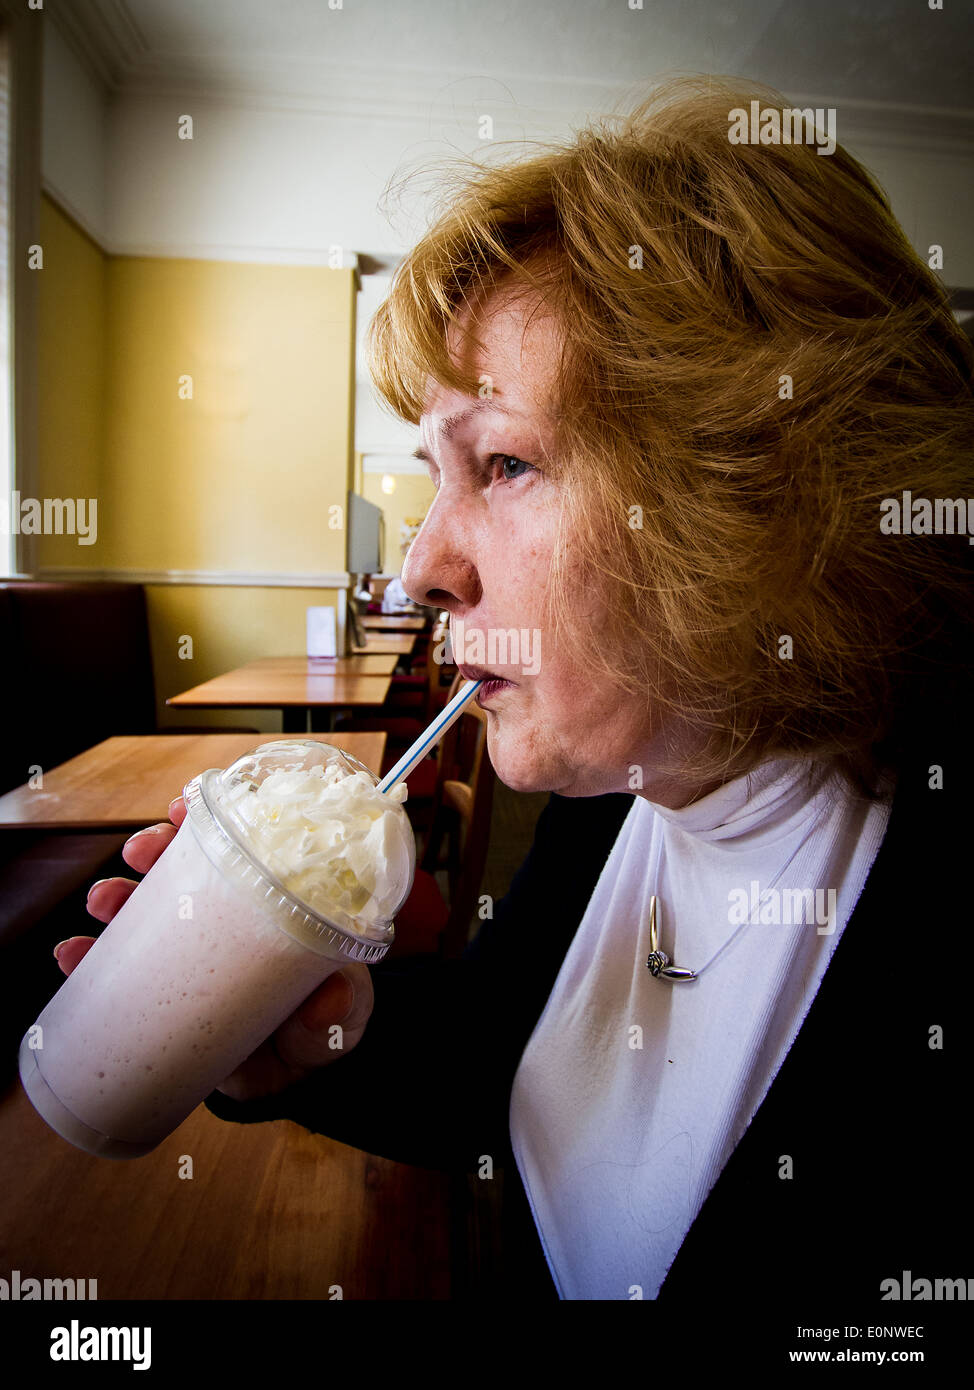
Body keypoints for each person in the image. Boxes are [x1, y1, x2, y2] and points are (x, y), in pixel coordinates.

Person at [61, 76, 973, 1304]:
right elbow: (509, 1060)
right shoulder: (620, 784)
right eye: (434, 474)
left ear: (752, 500)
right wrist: (308, 1037)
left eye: (505, 461)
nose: (424, 566)